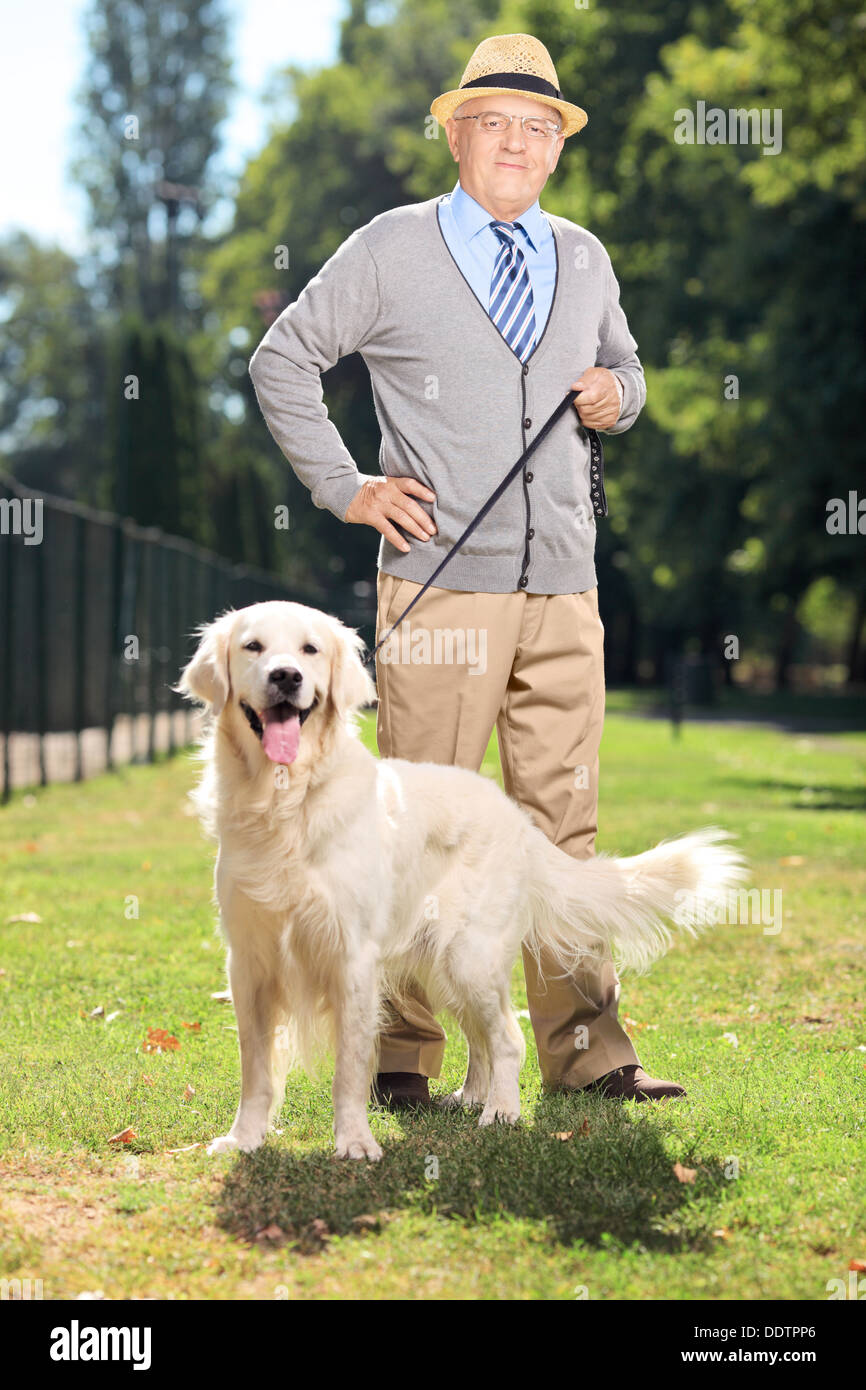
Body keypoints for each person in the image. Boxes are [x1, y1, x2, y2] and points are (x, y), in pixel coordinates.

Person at [248, 32, 686, 1108]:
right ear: (454, 134)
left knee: (560, 825)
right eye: (494, 123)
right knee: (405, 829)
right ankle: (397, 1062)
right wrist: (346, 487)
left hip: (565, 591)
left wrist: (613, 398)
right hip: (440, 584)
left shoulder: (582, 256)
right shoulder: (391, 249)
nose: (518, 144)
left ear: (556, 149)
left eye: (538, 129)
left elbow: (625, 371)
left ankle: (587, 1054)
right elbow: (282, 360)